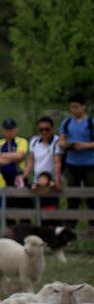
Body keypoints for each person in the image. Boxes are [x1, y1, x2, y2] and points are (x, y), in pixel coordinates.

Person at [58, 93, 94, 226]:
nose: (74, 110)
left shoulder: (91, 122)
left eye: (77, 107)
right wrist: (65, 144)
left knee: (91, 193)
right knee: (72, 195)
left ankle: (92, 222)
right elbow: (62, 138)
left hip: (90, 162)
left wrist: (84, 145)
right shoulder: (67, 123)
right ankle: (71, 223)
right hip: (72, 163)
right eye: (72, 107)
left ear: (83, 106)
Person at [26, 116, 62, 212]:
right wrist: (25, 174)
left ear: (52, 129)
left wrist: (57, 180)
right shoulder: (34, 141)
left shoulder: (56, 141)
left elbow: (57, 161)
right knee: (38, 209)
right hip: (38, 180)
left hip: (51, 181)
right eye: (41, 130)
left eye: (47, 129)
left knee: (52, 209)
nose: (44, 132)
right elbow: (31, 160)